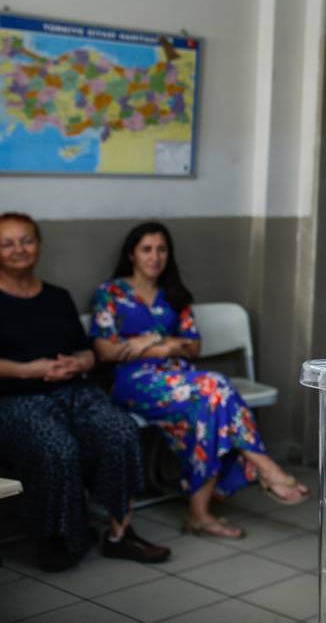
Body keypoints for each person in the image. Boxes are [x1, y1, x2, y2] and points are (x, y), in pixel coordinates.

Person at [90, 222, 310, 540]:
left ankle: (199, 514)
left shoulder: (175, 295)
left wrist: (152, 343)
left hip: (180, 377)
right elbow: (105, 350)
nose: (155, 257)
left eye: (162, 249)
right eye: (147, 249)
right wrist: (167, 344)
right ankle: (265, 467)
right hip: (133, 381)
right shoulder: (110, 293)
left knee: (208, 411)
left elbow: (193, 346)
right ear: (132, 254)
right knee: (216, 387)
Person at [0, 212, 170, 571]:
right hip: (16, 398)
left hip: (74, 391)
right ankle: (59, 538)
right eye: (8, 243)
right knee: (57, 448)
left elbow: (88, 350)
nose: (19, 249)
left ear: (39, 245)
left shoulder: (57, 297)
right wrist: (30, 369)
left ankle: (119, 533)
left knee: (119, 431)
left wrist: (80, 362)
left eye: (26, 240)